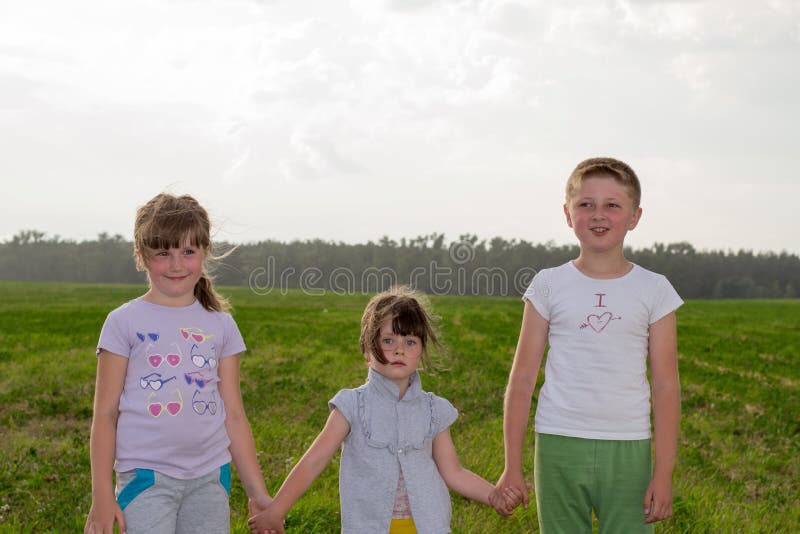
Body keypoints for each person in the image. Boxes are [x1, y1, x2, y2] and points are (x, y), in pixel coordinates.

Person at [494, 157, 683, 533]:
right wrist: (511, 466)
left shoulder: (655, 289)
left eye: (612, 205)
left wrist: (662, 475)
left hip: (628, 445)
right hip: (558, 442)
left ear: (634, 216)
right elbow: (522, 378)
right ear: (568, 214)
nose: (599, 215)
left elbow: (666, 386)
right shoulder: (548, 285)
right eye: (586, 204)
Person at [248, 286, 522, 534]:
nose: (400, 349)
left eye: (410, 342)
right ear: (368, 349)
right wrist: (277, 510)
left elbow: (454, 472)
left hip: (427, 526)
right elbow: (313, 461)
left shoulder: (433, 410)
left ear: (422, 350)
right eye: (389, 340)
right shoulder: (352, 406)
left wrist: (492, 495)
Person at [84, 193, 272, 534]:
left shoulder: (221, 325)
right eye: (163, 253)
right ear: (141, 257)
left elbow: (234, 414)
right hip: (145, 478)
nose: (176, 265)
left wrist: (258, 494)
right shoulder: (123, 322)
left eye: (188, 251)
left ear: (205, 252)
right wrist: (100, 498)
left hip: (210, 478)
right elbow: (106, 414)